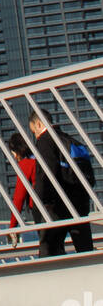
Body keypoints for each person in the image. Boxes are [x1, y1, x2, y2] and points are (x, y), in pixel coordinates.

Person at [28, 109, 94, 257]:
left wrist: (41, 201)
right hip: (80, 204)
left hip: (58, 205)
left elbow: (46, 173)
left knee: (49, 250)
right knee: (85, 251)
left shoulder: (45, 140)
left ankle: (48, 279)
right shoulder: (71, 140)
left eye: (34, 131)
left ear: (38, 124)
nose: (35, 136)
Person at [6, 132, 36, 250]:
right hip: (57, 206)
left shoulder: (26, 163)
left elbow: (19, 197)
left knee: (47, 247)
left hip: (42, 208)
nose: (13, 156)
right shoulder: (40, 158)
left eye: (13, 152)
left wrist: (12, 227)